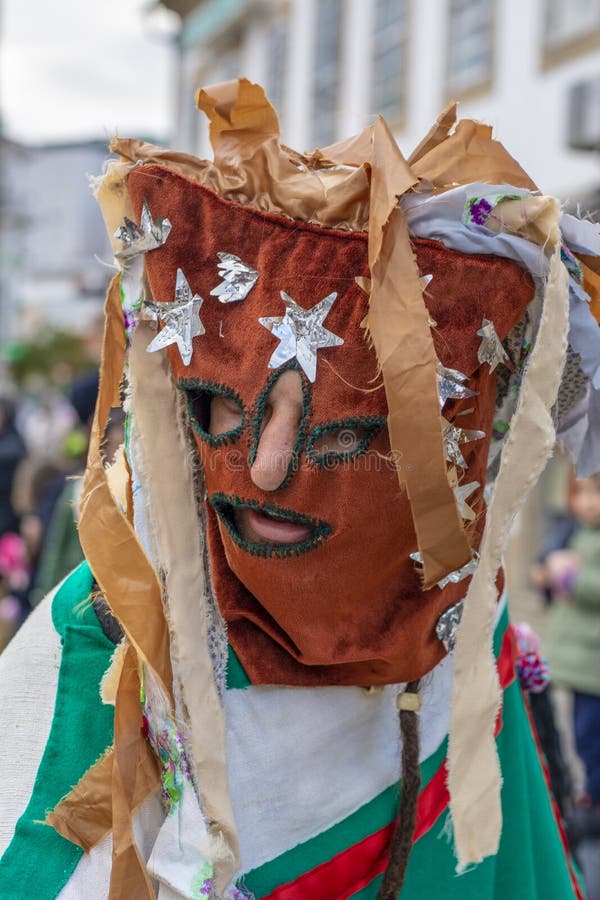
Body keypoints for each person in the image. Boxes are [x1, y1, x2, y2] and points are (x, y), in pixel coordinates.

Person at [0, 79, 596, 899]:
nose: (269, 471)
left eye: (347, 432)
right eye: (223, 411)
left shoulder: (462, 638)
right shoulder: (112, 634)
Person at [544, 474, 600, 898]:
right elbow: (541, 568)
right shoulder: (573, 529)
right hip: (580, 666)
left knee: (591, 738)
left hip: (592, 665)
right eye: (581, 491)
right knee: (582, 737)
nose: (588, 503)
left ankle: (594, 802)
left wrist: (568, 579)